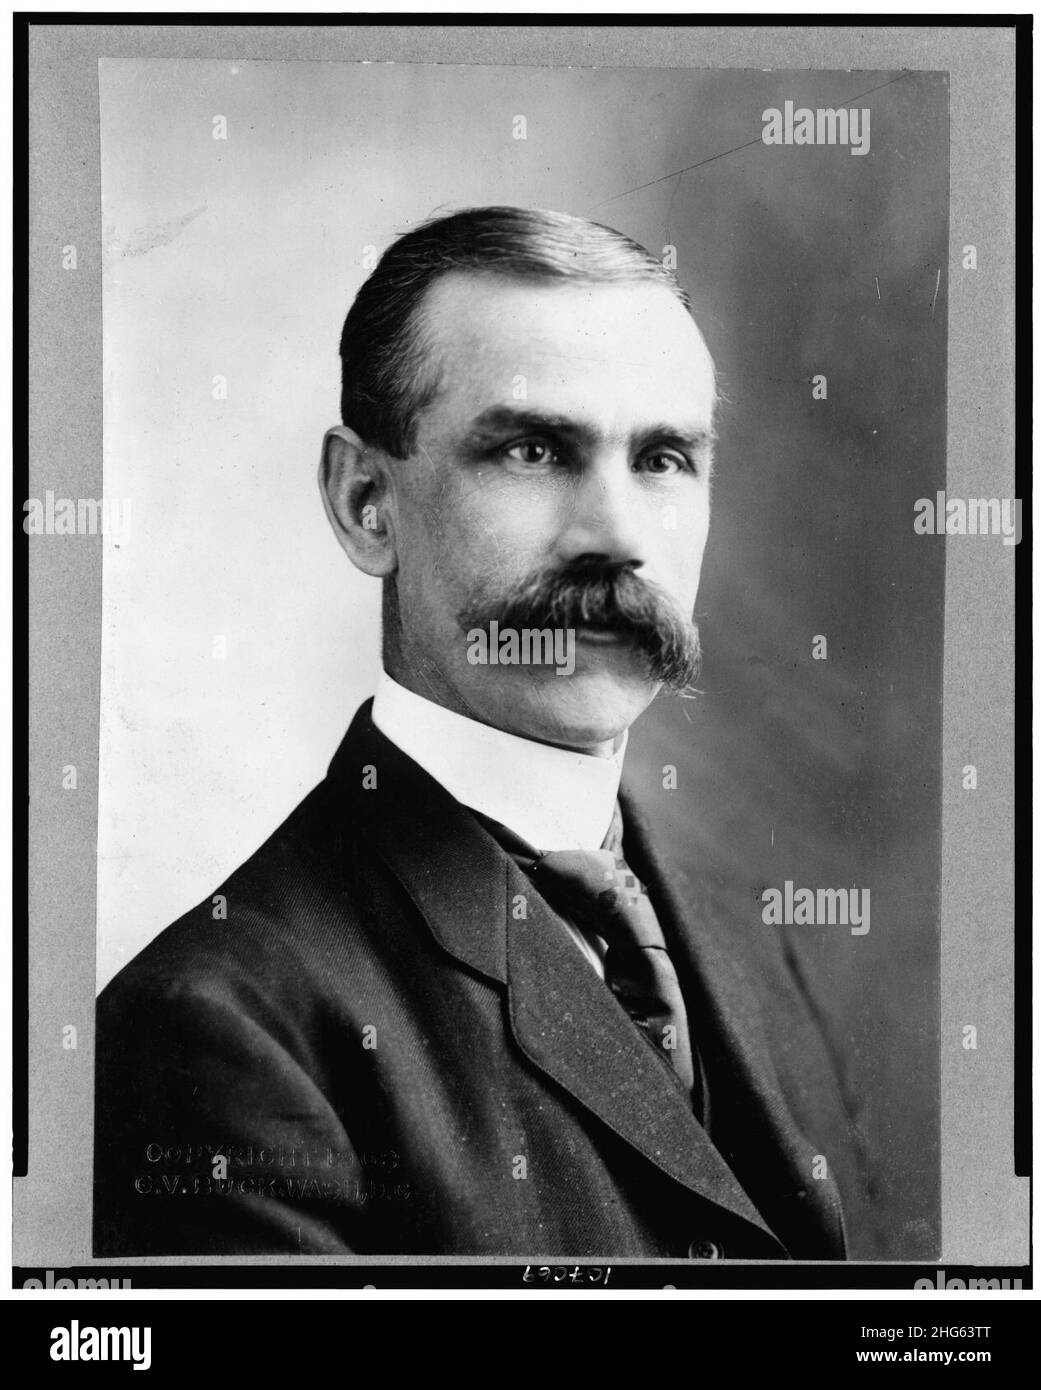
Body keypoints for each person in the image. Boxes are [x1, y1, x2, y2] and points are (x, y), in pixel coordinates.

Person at [94, 206, 867, 1259]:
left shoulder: (752, 954)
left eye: (664, 458)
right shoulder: (219, 1027)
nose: (617, 536)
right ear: (368, 501)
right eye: (536, 451)